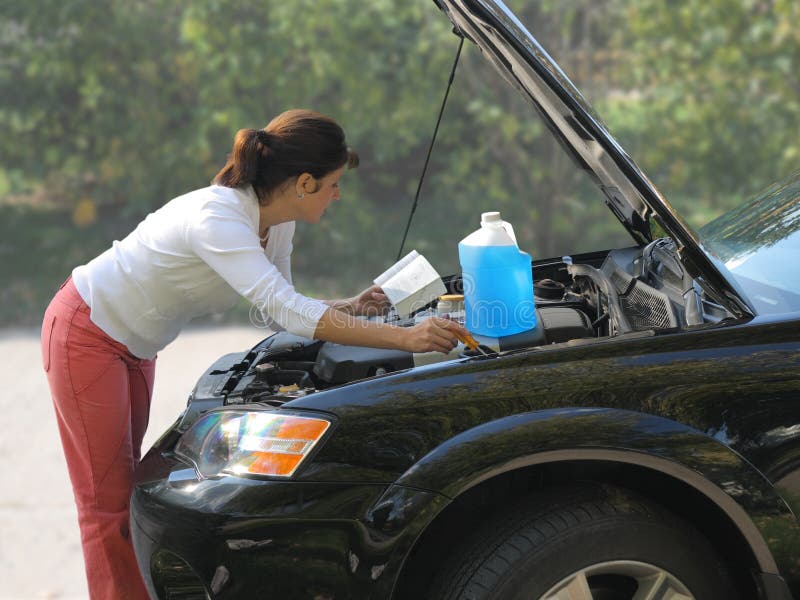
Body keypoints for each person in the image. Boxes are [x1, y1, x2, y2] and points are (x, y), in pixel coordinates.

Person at [39, 108, 467, 599]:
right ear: (304, 183)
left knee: (132, 492)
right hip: (87, 333)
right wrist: (408, 338)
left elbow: (279, 306)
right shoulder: (218, 219)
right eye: (332, 185)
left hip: (136, 346)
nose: (337, 195)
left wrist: (348, 306)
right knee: (107, 505)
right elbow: (287, 311)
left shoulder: (276, 221)